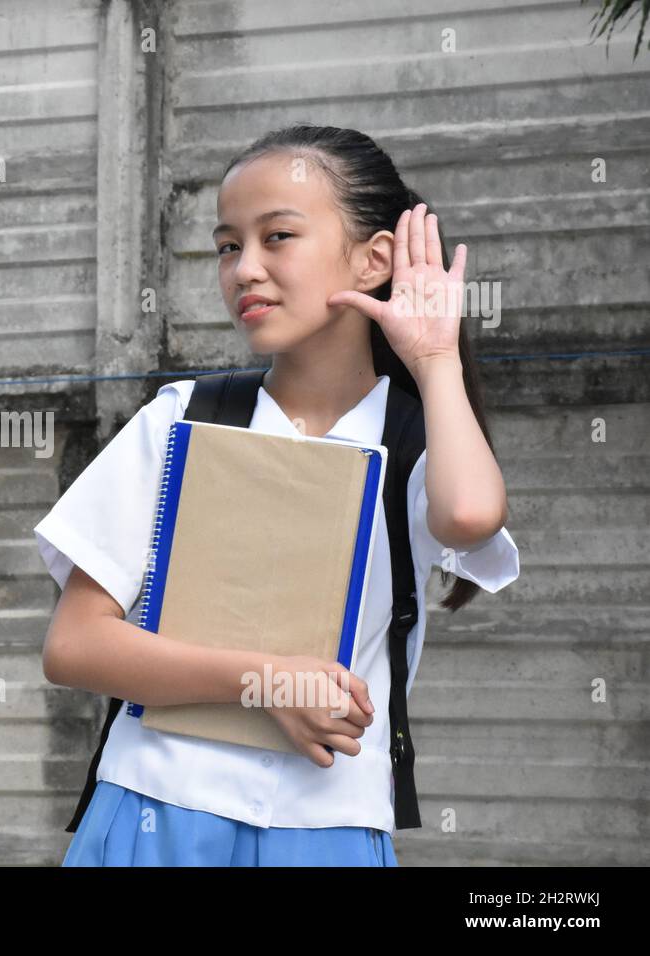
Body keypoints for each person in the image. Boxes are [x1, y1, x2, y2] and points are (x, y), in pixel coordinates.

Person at [35, 125, 521, 866]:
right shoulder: (180, 419)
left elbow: (468, 516)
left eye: (278, 237)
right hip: (153, 812)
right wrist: (263, 683)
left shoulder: (420, 438)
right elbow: (74, 645)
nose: (244, 269)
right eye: (228, 246)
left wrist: (436, 360)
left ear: (375, 258)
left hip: (329, 827)